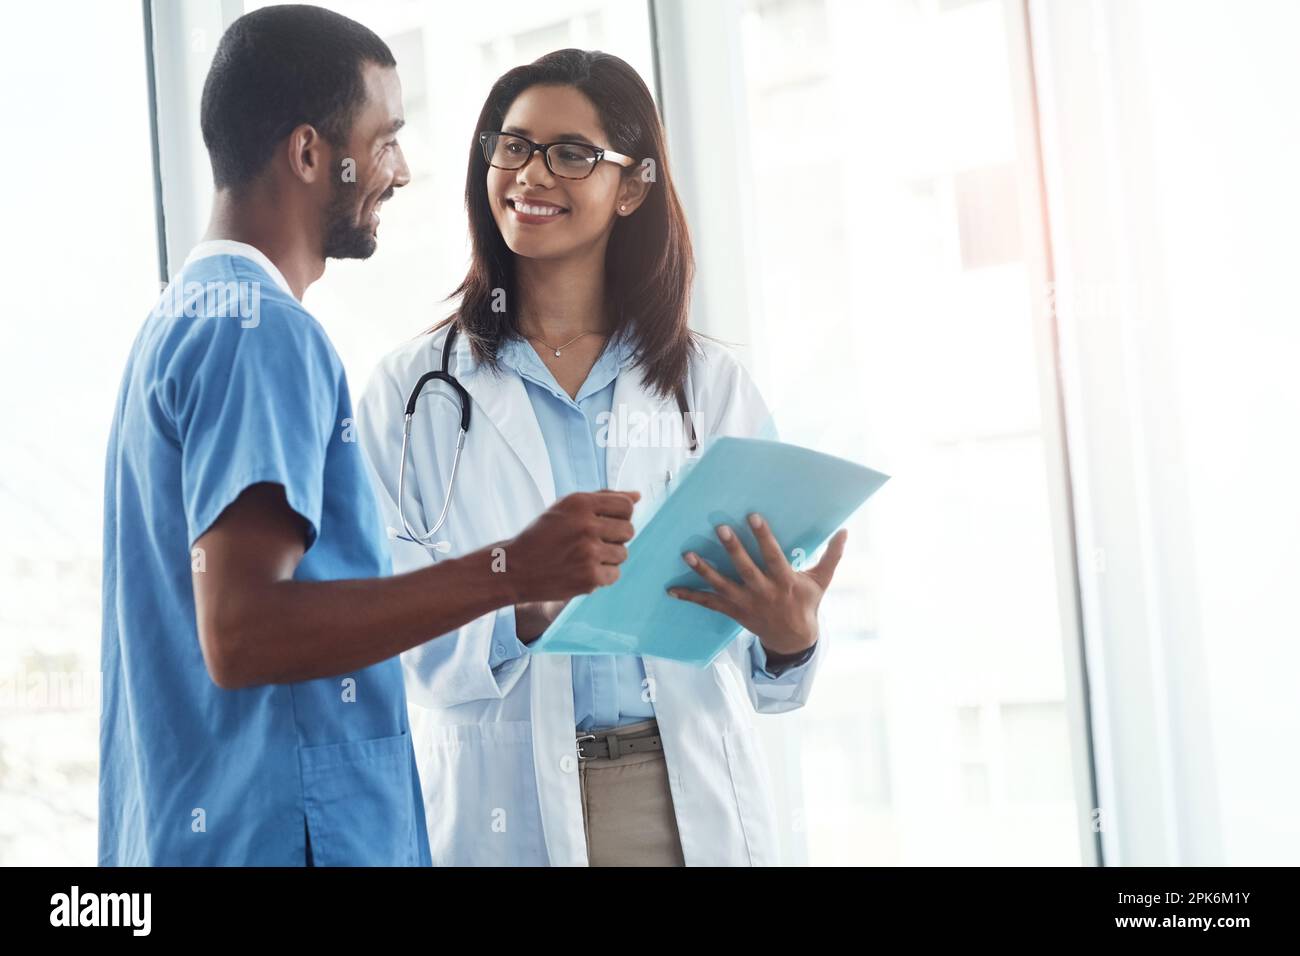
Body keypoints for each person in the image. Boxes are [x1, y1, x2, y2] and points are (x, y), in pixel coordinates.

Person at [99, 7, 634, 867]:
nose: (404, 172)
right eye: (385, 141)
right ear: (311, 154)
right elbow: (243, 633)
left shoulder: (185, 319)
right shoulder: (259, 332)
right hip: (277, 838)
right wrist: (513, 569)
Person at [357, 48, 847, 866]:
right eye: (511, 147)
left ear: (633, 186)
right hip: (502, 801)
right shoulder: (416, 393)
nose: (530, 174)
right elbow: (383, 619)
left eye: (572, 154)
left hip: (677, 796)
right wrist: (526, 605)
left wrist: (790, 636)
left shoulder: (709, 388)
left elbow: (767, 659)